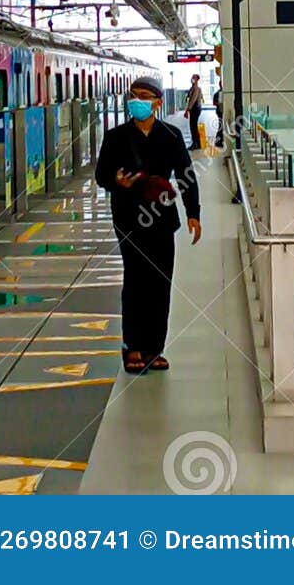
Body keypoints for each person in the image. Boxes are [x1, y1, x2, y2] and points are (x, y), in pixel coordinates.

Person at [94, 76, 201, 374]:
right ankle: (133, 347)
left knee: (160, 281)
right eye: (133, 95)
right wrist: (115, 181)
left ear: (156, 102)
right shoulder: (116, 137)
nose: (136, 100)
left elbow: (185, 174)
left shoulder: (170, 135)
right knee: (137, 280)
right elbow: (101, 175)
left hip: (163, 217)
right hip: (128, 217)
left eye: (143, 96)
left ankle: (155, 348)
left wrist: (194, 212)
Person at [184, 74, 203, 152]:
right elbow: (189, 97)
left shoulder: (196, 88)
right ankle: (197, 143)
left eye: (194, 78)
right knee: (193, 126)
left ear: (197, 80)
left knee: (193, 126)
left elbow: (193, 100)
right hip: (195, 108)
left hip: (195, 109)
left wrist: (188, 110)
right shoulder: (192, 88)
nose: (192, 79)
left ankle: (195, 144)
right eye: (192, 77)